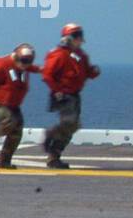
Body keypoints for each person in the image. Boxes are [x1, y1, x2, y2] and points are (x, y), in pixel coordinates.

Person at [41, 23, 101, 170]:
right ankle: (51, 134)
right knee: (71, 122)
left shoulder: (81, 55)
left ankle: (54, 157)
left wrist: (93, 72)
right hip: (63, 95)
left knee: (71, 128)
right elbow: (47, 75)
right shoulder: (58, 54)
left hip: (74, 95)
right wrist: (57, 90)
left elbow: (87, 72)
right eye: (77, 36)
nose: (80, 40)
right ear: (69, 38)